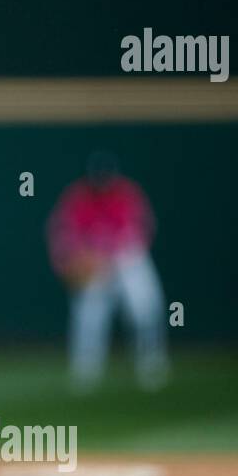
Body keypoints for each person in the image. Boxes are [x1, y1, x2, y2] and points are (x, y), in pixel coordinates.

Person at [46, 152, 170, 391]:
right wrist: (70, 262)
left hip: (127, 259)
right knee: (88, 314)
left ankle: (151, 363)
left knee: (144, 308)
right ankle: (86, 369)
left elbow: (140, 231)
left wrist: (103, 256)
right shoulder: (77, 197)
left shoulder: (127, 193)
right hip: (93, 264)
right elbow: (61, 234)